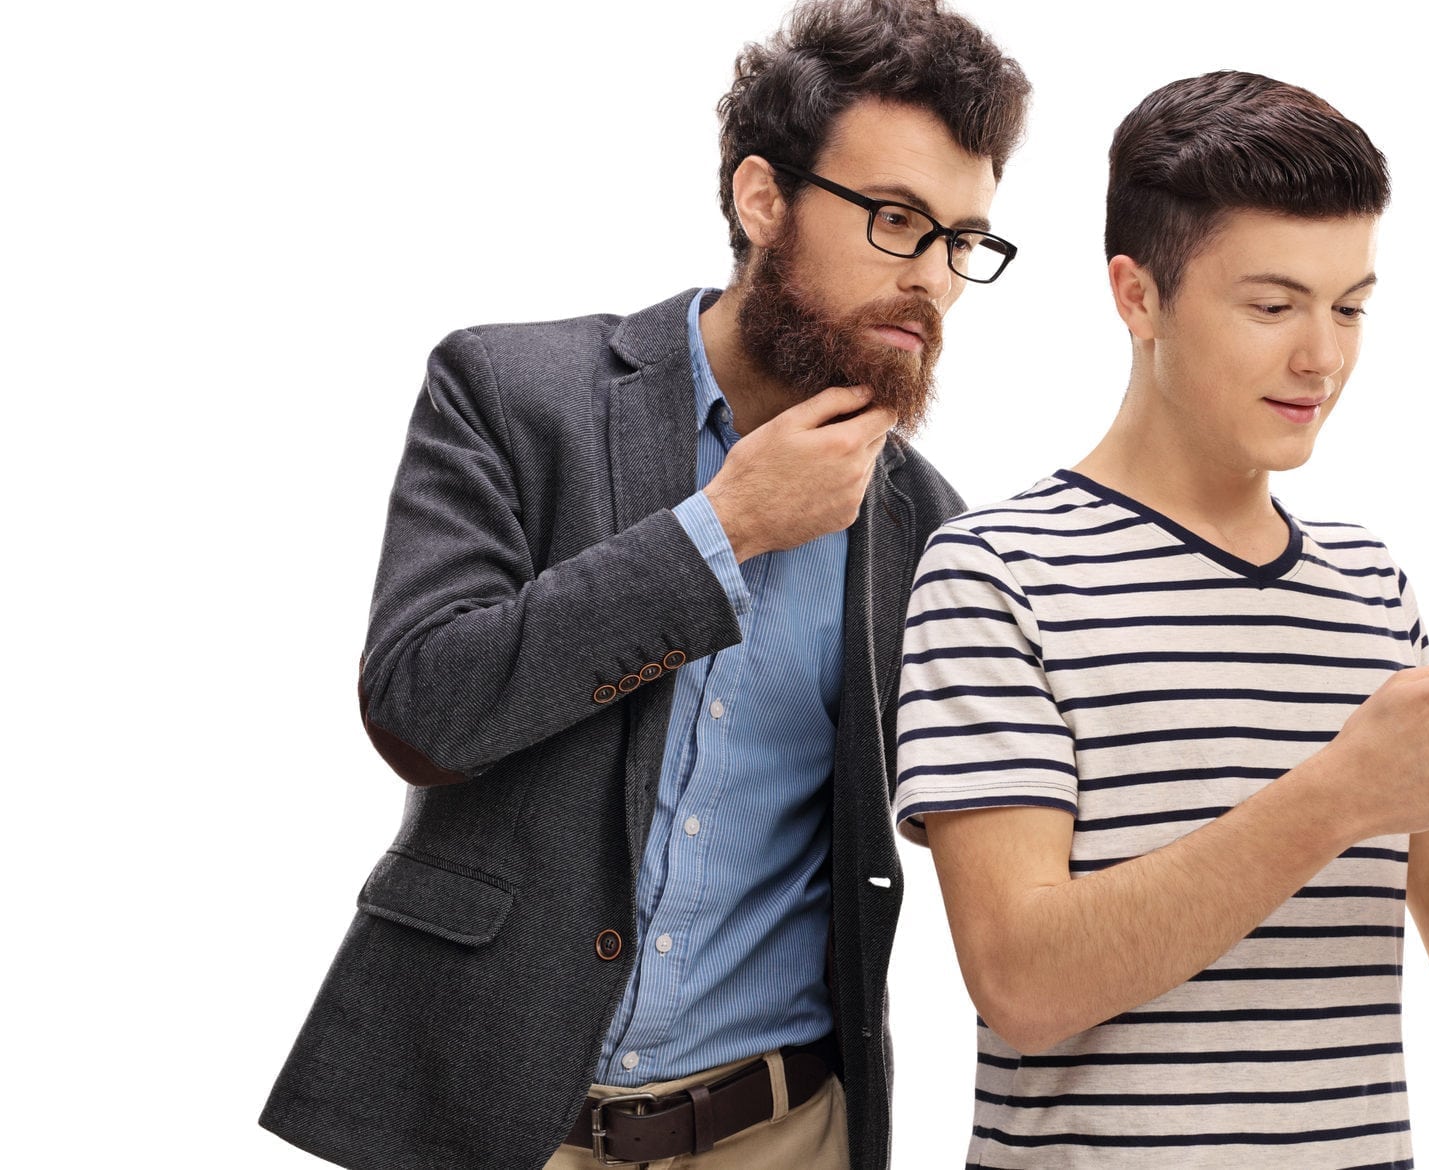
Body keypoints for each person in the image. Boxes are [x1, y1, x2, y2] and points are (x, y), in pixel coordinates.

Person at [259, 3, 1029, 1168]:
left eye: (961, 240)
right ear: (761, 198)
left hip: (785, 1132)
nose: (931, 279)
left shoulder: (927, 523)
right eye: (893, 220)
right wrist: (724, 528)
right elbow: (423, 708)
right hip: (492, 1123)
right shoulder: (513, 394)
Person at [893, 70, 1429, 1167]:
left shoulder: (1369, 585)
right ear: (1137, 297)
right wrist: (1340, 795)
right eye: (1273, 306)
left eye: (1350, 307)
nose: (1321, 357)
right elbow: (1023, 986)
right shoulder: (997, 572)